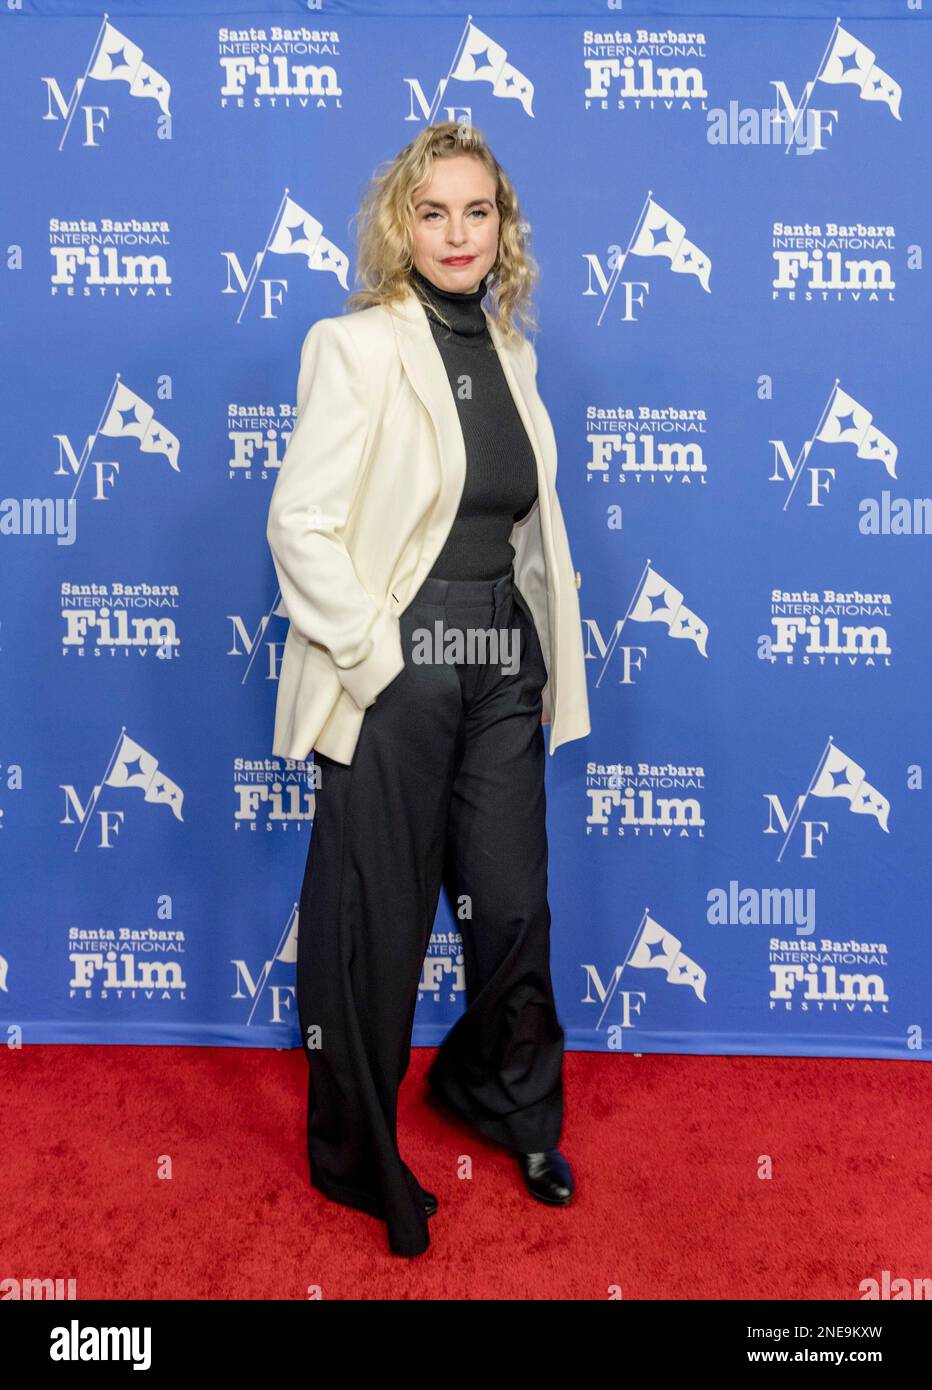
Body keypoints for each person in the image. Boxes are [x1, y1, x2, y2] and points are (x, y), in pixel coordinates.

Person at [266, 120, 591, 1257]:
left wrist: (540, 653)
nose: (457, 233)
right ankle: (357, 1153)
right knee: (378, 922)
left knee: (509, 904)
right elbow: (296, 522)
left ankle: (501, 1097)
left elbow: (524, 528)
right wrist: (370, 651)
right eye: (434, 211)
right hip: (394, 665)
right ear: (401, 226)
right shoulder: (353, 347)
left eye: (478, 211)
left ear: (504, 230)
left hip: (502, 660)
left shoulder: (514, 354)